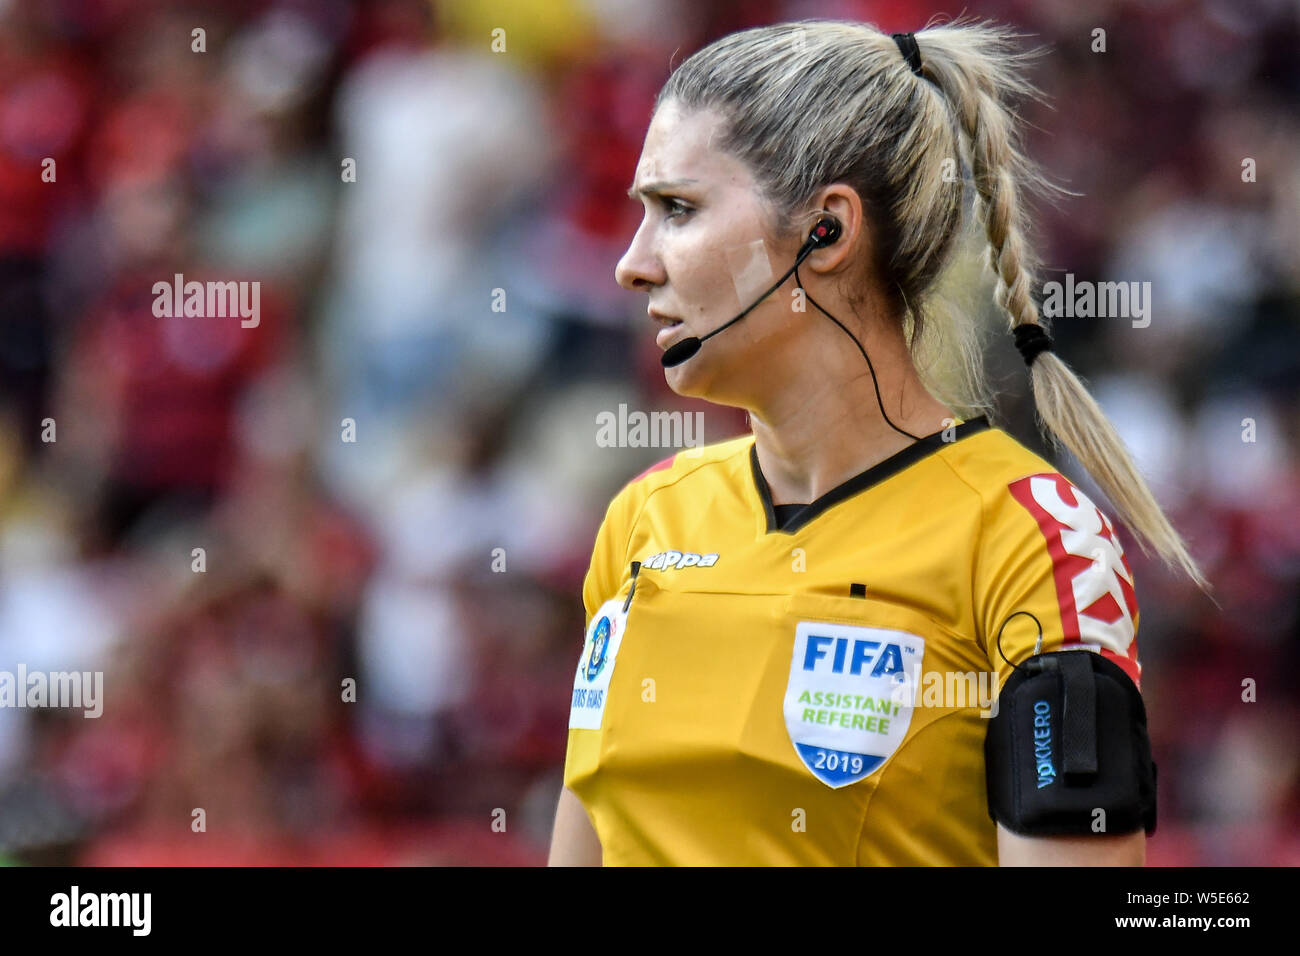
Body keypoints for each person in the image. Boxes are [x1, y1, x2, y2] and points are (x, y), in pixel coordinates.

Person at [548, 19, 1207, 867]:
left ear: (826, 230)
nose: (632, 265)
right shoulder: (647, 519)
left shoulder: (1029, 537)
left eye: (677, 209)